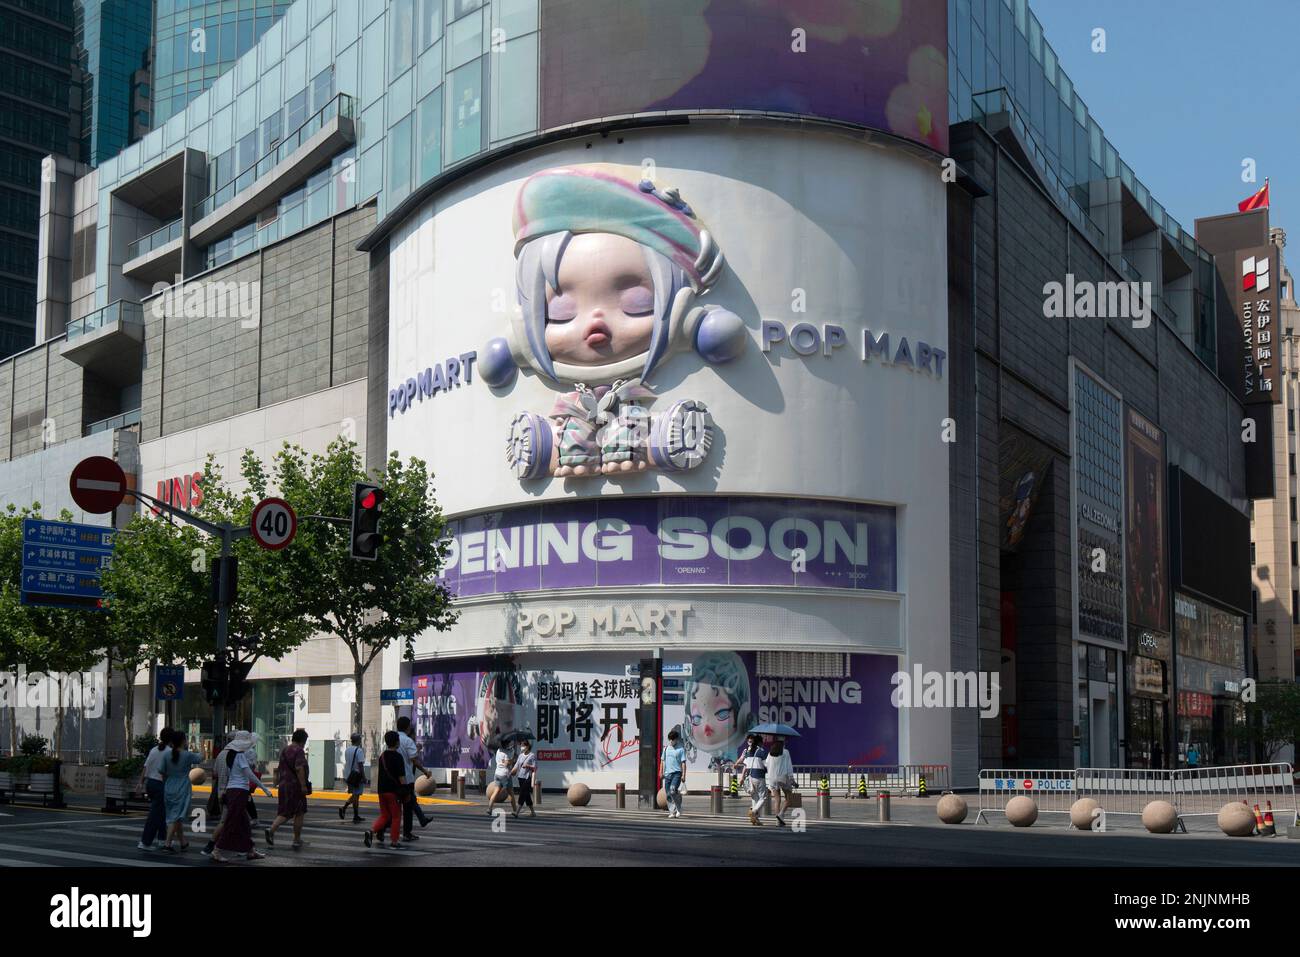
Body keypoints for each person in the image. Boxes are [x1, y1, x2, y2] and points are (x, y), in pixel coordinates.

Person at [211, 732, 272, 863]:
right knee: (231, 822)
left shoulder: (232, 755)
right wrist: (264, 788)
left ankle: (250, 851)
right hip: (238, 792)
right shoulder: (239, 756)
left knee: (244, 824)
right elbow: (249, 773)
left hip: (236, 791)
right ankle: (217, 849)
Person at [265, 729, 310, 849]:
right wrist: (303, 786)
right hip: (295, 786)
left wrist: (276, 782)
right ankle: (295, 839)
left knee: (286, 811)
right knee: (299, 812)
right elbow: (299, 768)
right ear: (302, 741)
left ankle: (272, 830)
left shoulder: (285, 750)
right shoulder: (299, 750)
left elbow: (279, 769)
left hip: (284, 785)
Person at [161, 730, 204, 851]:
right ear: (182, 741)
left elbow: (161, 771)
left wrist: (167, 782)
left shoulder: (166, 755)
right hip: (182, 788)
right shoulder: (187, 755)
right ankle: (167, 843)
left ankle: (182, 842)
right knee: (175, 817)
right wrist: (202, 745)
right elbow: (201, 757)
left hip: (169, 786)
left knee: (174, 815)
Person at [365, 731, 407, 850]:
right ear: (397, 742)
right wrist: (405, 790)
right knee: (396, 816)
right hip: (393, 792)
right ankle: (394, 841)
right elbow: (401, 777)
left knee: (385, 815)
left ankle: (371, 831)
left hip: (381, 790)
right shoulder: (398, 757)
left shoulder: (382, 756)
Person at [396, 716, 432, 840]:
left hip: (393, 779)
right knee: (407, 807)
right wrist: (425, 772)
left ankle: (421, 820)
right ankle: (407, 833)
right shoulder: (407, 740)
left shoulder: (393, 738)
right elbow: (414, 760)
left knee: (399, 805)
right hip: (406, 779)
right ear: (407, 727)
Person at [136, 727, 172, 850]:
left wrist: (140, 783)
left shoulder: (154, 750)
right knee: (155, 815)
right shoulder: (169, 752)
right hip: (161, 785)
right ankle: (145, 842)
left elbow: (145, 767)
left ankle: (162, 839)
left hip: (150, 784)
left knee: (161, 813)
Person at [733, 734, 768, 826]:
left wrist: (742, 777)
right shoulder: (761, 751)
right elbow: (766, 765)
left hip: (750, 777)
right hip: (759, 776)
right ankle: (754, 811)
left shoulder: (748, 752)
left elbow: (745, 765)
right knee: (763, 797)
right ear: (760, 742)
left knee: (754, 798)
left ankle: (756, 819)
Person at [764, 737, 795, 827]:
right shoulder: (785, 752)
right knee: (789, 798)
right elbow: (789, 767)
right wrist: (792, 779)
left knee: (777, 800)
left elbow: (766, 764)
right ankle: (781, 814)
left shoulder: (770, 753)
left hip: (772, 778)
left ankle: (778, 821)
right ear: (783, 743)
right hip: (783, 778)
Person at [340, 732, 367, 824]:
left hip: (349, 775)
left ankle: (344, 808)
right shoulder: (359, 751)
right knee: (356, 795)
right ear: (358, 740)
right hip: (357, 776)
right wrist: (364, 777)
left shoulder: (347, 750)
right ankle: (355, 815)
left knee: (355, 795)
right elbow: (360, 765)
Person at [487, 737, 518, 817]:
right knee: (511, 794)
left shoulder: (498, 751)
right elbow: (507, 764)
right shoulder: (508, 752)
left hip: (497, 774)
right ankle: (515, 811)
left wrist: (509, 760)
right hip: (505, 775)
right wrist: (513, 759)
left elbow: (503, 762)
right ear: (507, 744)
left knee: (496, 791)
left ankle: (489, 808)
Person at [662, 728, 687, 819]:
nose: (671, 741)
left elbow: (683, 763)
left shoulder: (680, 749)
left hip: (677, 773)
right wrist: (661, 772)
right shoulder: (666, 749)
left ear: (677, 739)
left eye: (673, 739)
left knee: (672, 790)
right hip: (667, 774)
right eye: (670, 739)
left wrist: (684, 775)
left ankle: (679, 808)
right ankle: (672, 811)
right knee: (668, 793)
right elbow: (663, 761)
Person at [512, 739, 537, 818]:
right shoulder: (520, 755)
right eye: (521, 745)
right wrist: (511, 772)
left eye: (523, 745)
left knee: (522, 794)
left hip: (527, 777)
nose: (522, 747)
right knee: (526, 795)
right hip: (520, 777)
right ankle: (533, 812)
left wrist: (528, 766)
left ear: (528, 746)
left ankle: (517, 812)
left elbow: (535, 767)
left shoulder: (532, 755)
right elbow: (516, 765)